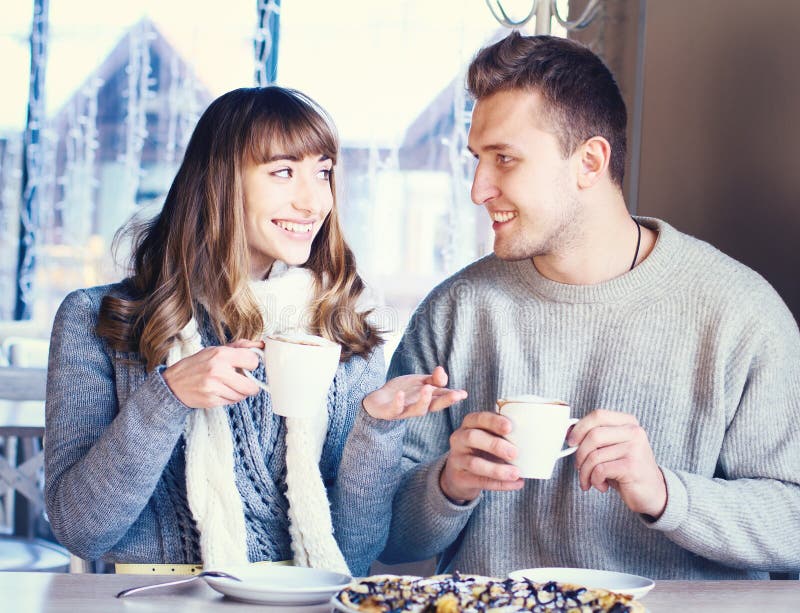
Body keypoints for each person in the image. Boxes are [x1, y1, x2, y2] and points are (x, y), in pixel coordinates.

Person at [334, 32, 800, 579]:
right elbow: (389, 540)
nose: (478, 188)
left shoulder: (740, 314)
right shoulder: (455, 311)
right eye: (477, 159)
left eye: (504, 158)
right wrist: (447, 485)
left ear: (590, 161)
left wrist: (666, 494)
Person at [44, 86, 462, 574]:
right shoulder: (99, 318)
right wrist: (168, 396)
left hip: (304, 602)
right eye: (283, 172)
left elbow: (352, 554)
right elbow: (80, 529)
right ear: (219, 183)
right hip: (155, 602)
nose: (313, 202)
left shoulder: (343, 329)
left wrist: (376, 427)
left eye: (323, 172)